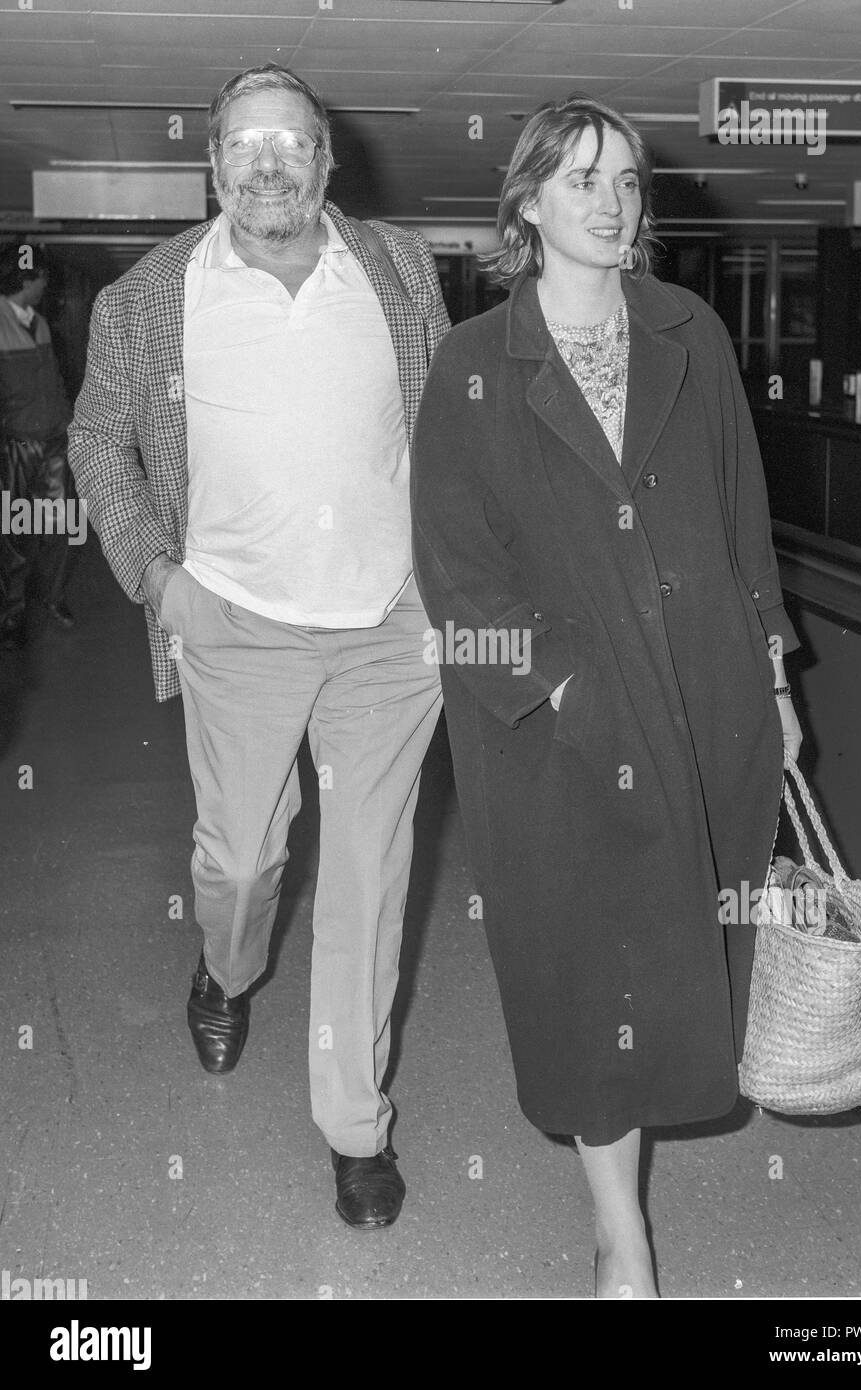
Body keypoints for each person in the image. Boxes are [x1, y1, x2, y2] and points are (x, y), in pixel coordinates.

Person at [410, 96, 804, 1296]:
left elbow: (744, 520)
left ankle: (624, 1211)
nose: (612, 202)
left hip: (705, 702)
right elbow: (455, 580)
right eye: (581, 180)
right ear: (527, 205)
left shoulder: (693, 331)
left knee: (684, 956)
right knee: (586, 979)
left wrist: (772, 671)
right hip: (558, 731)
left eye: (628, 180)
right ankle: (619, 1233)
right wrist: (567, 686)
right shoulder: (473, 365)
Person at [69, 63, 449, 1228]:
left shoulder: (396, 268)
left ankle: (355, 1126)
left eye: (291, 142)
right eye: (245, 144)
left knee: (370, 883)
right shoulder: (146, 298)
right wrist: (159, 580)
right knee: (241, 860)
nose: (269, 161)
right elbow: (97, 442)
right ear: (213, 165)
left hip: (388, 632)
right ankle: (226, 968)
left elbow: (447, 428)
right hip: (233, 622)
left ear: (328, 163)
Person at [0, 245, 77, 646]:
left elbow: (55, 384)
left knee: (59, 523)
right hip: (17, 444)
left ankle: (51, 597)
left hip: (53, 441)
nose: (47, 283)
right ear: (25, 280)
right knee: (14, 529)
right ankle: (10, 615)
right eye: (42, 277)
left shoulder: (42, 325)